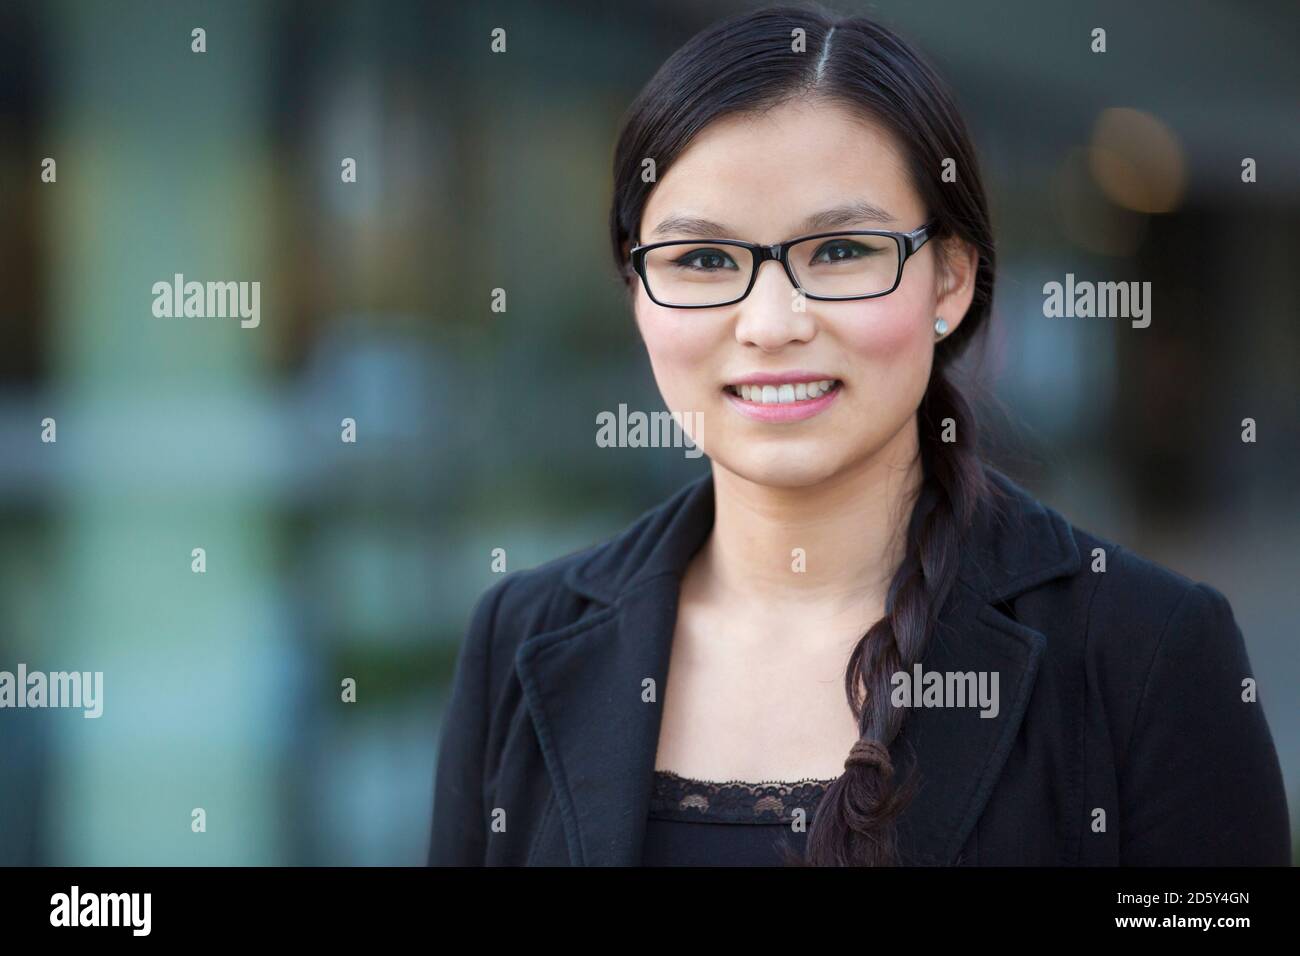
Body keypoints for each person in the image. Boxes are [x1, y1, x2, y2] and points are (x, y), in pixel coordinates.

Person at [428, 4, 1290, 866]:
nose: (771, 324)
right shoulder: (522, 635)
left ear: (949, 279)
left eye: (841, 251)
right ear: (636, 290)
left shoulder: (1147, 650)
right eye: (703, 260)